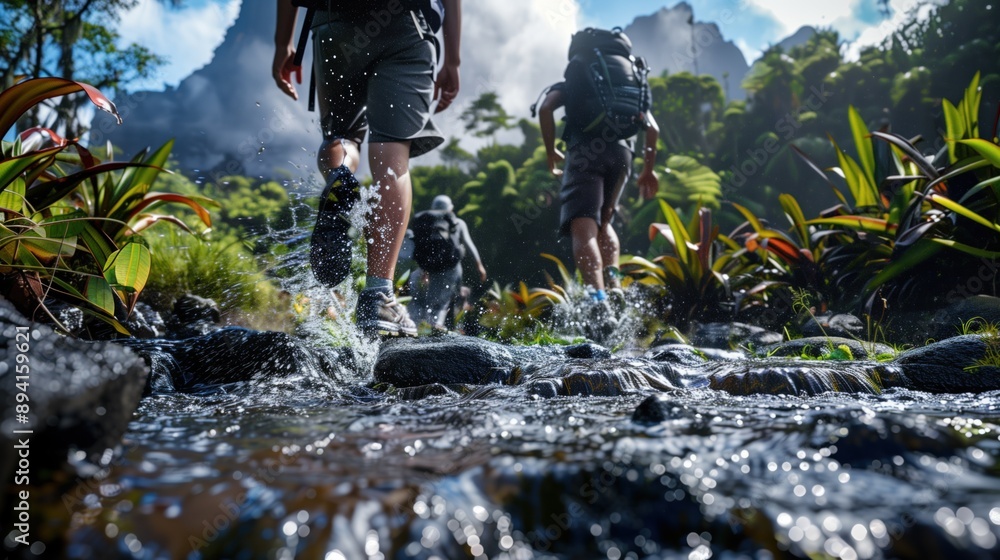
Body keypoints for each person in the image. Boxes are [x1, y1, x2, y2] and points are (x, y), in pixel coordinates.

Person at [272, 0, 461, 337]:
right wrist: (453, 60)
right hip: (405, 24)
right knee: (392, 153)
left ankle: (340, 176)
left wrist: (283, 44)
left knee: (342, 137)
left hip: (333, 23)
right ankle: (379, 295)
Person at [536, 28, 659, 339]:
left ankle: (598, 299)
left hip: (585, 153)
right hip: (624, 153)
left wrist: (552, 151)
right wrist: (648, 170)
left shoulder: (579, 74)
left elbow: (546, 108)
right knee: (605, 220)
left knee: (584, 225)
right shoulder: (629, 78)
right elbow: (652, 129)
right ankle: (615, 284)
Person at [408, 194, 486, 330]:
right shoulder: (457, 222)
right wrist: (479, 265)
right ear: (450, 208)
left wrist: (424, 268)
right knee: (442, 302)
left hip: (428, 266)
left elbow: (419, 247)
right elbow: (469, 245)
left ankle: (416, 326)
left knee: (424, 299)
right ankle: (436, 327)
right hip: (451, 268)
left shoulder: (426, 222)